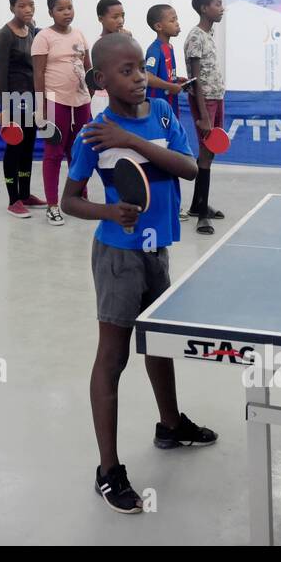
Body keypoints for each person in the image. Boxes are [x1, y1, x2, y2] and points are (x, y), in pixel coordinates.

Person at [62, 33, 217, 514]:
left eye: (141, 70)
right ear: (102, 80)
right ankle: (107, 470)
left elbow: (190, 168)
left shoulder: (163, 115)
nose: (139, 79)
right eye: (126, 72)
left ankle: (169, 424)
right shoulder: (92, 133)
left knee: (159, 343)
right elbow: (69, 200)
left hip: (158, 252)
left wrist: (130, 141)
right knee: (113, 358)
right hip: (118, 257)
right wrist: (107, 214)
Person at [31, 0, 92, 226]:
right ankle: (53, 205)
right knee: (53, 153)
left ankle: (79, 198)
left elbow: (87, 67)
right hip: (55, 102)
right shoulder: (43, 37)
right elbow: (38, 73)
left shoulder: (79, 34)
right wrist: (41, 107)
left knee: (80, 152)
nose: (67, 12)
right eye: (61, 9)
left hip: (81, 101)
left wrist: (91, 91)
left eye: (70, 7)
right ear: (50, 12)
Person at [0, 0, 46, 218]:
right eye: (22, 6)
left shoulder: (32, 30)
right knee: (14, 148)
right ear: (12, 8)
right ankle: (13, 199)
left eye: (31, 5)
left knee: (28, 147)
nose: (27, 9)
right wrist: (4, 108)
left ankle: (25, 194)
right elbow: (1, 73)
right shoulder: (6, 34)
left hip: (31, 99)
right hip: (14, 100)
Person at [183, 0, 227, 233]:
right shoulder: (196, 36)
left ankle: (198, 204)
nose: (221, 8)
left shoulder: (209, 34)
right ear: (204, 8)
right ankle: (201, 215)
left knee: (210, 153)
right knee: (206, 152)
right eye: (217, 4)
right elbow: (196, 80)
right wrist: (203, 117)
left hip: (217, 98)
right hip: (205, 101)